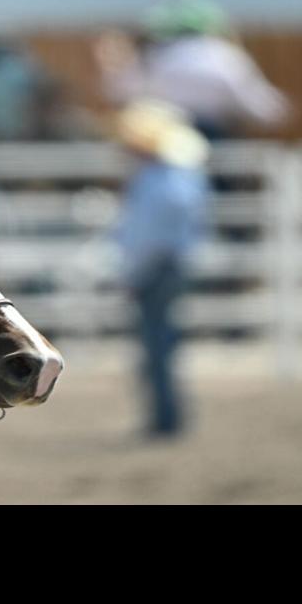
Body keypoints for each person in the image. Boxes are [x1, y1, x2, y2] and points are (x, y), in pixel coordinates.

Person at [111, 100, 210, 439]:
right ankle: (166, 416)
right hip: (167, 265)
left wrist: (131, 272)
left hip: (156, 267)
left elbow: (144, 236)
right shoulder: (178, 175)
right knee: (160, 344)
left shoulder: (156, 179)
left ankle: (164, 418)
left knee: (156, 345)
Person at [94, 0, 289, 143]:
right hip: (213, 149)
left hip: (165, 151)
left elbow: (119, 92)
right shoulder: (224, 57)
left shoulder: (153, 56)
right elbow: (266, 109)